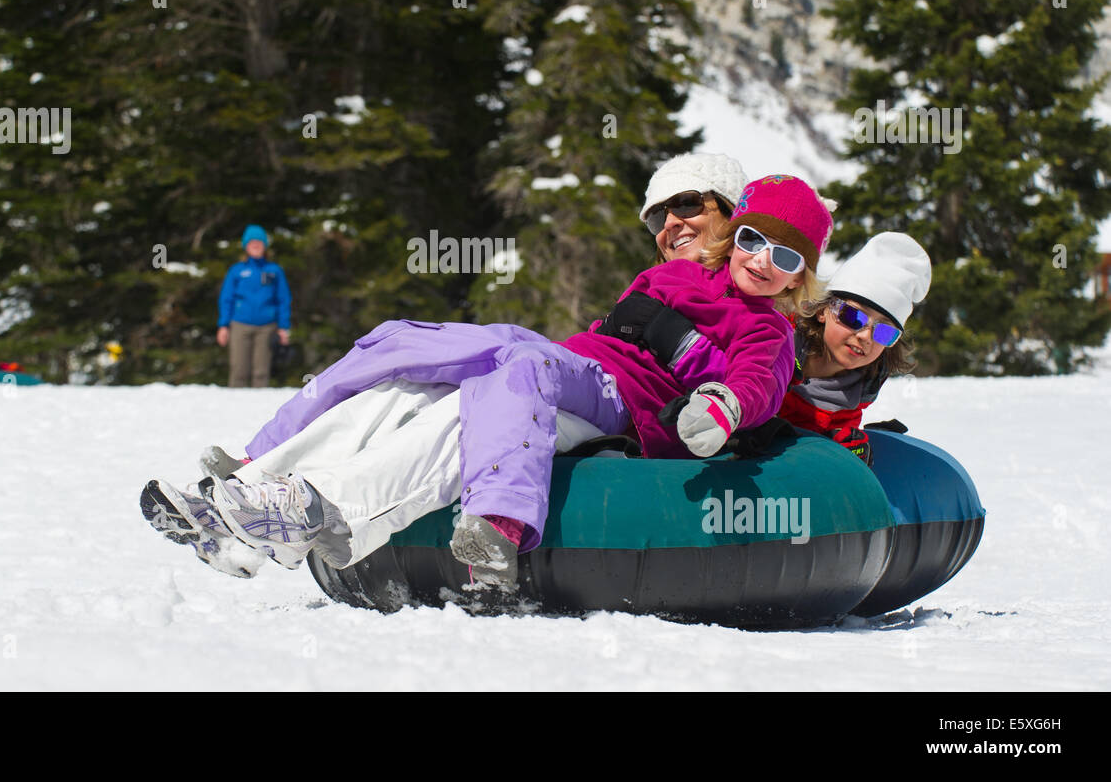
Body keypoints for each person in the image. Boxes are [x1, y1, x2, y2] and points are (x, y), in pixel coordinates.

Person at [146, 165, 834, 590]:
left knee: (510, 370)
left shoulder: (766, 328)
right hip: (572, 369)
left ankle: (441, 516)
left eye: (786, 256)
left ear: (803, 275)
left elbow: (755, 385)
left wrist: (719, 406)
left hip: (617, 403)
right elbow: (611, 327)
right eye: (753, 239)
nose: (762, 261)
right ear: (734, 232)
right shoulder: (675, 274)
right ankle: (247, 493)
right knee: (404, 368)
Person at [780, 231, 932, 463]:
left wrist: (847, 449)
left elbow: (832, 436)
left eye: (884, 332)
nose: (865, 336)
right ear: (823, 310)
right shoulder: (774, 340)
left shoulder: (857, 390)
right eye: (853, 316)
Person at [216, 225, 291, 388]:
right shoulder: (237, 270)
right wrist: (223, 325)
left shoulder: (274, 271)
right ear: (246, 246)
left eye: (259, 242)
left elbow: (283, 299)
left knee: (261, 372)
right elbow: (226, 298)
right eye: (252, 243)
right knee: (238, 370)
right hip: (239, 325)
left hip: (267, 327)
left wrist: (283, 327)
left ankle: (258, 408)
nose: (256, 245)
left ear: (264, 246)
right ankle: (235, 406)